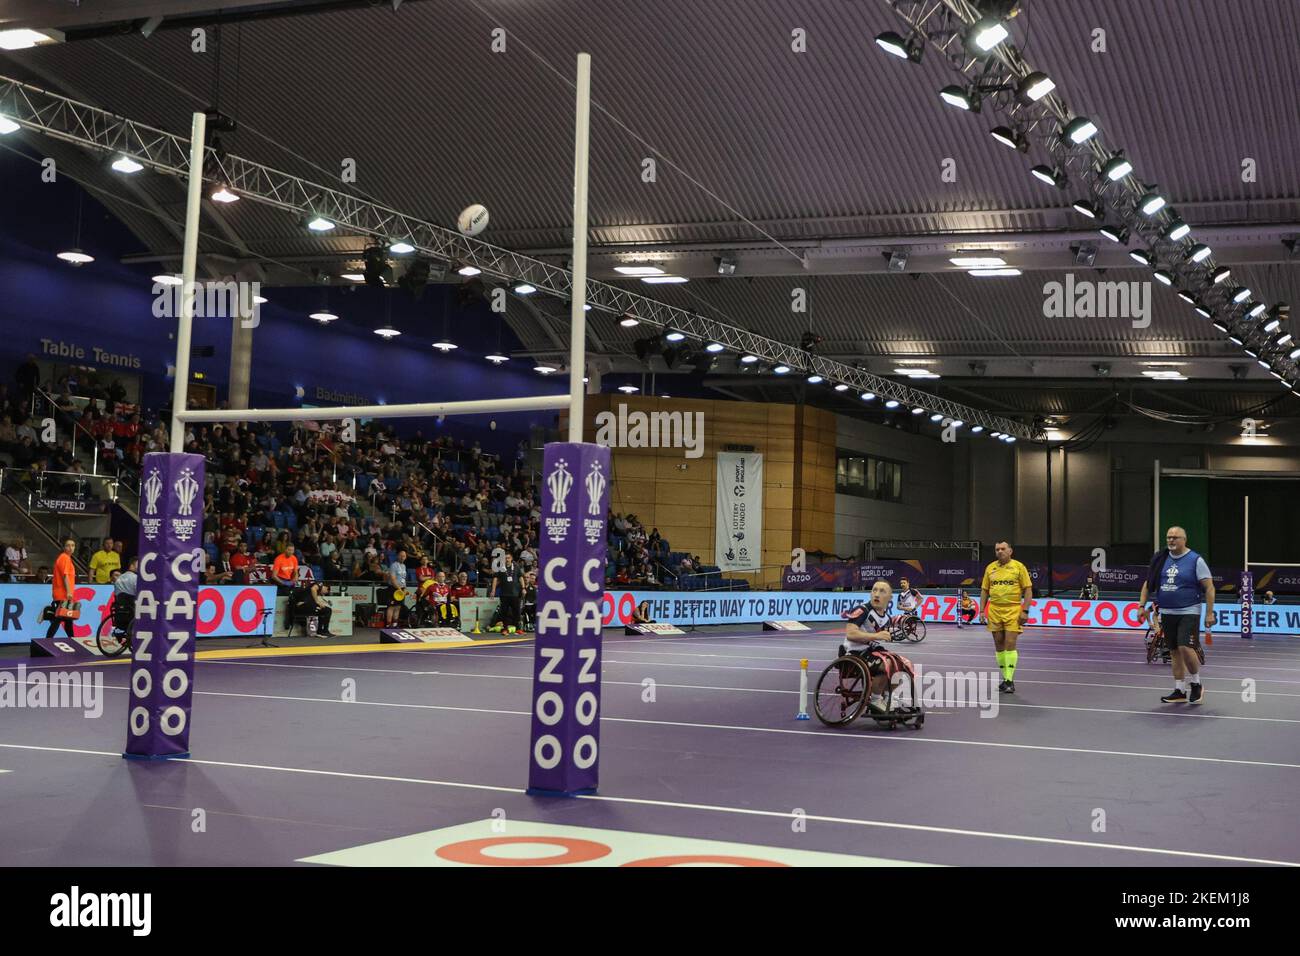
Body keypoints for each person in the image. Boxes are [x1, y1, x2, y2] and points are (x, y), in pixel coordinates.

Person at [1138, 526, 1214, 704]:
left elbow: (1209, 587)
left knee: (1185, 647)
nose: (1171, 540)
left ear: (1184, 540)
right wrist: (1141, 606)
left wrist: (1210, 613)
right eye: (1168, 537)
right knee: (1173, 652)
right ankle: (1179, 690)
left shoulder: (1195, 560)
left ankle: (1196, 684)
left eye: (1175, 537)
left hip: (1189, 611)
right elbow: (1148, 584)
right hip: (1167, 612)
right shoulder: (1160, 559)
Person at [839, 580, 900, 715]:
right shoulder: (862, 610)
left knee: (902, 665)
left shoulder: (886, 618)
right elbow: (851, 633)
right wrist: (877, 636)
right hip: (855, 653)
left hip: (871, 651)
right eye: (874, 590)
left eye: (882, 591)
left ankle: (888, 697)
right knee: (887, 664)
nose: (876, 594)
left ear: (890, 598)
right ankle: (876, 700)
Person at [980, 541, 1033, 694]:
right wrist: (982, 611)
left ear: (1010, 551)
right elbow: (984, 590)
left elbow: (1028, 590)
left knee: (1010, 643)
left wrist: (1026, 611)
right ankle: (1005, 679)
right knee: (998, 644)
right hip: (995, 609)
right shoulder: (990, 568)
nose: (1000, 551)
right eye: (997, 549)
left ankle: (1009, 680)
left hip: (1013, 609)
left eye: (1003, 549)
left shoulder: (1019, 567)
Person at [46, 535, 78, 640]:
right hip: (63, 594)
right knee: (58, 619)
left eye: (73, 545)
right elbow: (65, 576)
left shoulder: (65, 558)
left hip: (62, 593)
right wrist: (69, 592)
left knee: (68, 619)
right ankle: (48, 640)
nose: (71, 548)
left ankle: (72, 639)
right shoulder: (64, 558)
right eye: (68, 545)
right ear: (63, 547)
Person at [488, 552, 522, 634]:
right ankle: (505, 629)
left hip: (515, 594)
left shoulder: (516, 567)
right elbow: (495, 579)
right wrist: (493, 590)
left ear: (511, 558)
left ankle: (518, 629)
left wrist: (523, 588)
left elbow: (520, 577)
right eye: (505, 558)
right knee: (504, 612)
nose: (507, 560)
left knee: (516, 612)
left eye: (508, 558)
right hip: (504, 594)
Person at [385, 549, 409, 626]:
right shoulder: (394, 565)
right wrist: (399, 589)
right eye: (401, 556)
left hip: (401, 589)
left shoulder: (404, 566)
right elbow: (393, 579)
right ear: (398, 556)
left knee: (398, 607)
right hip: (394, 588)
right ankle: (388, 624)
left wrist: (404, 588)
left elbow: (403, 578)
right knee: (391, 606)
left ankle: (395, 624)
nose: (402, 557)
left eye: (404, 556)